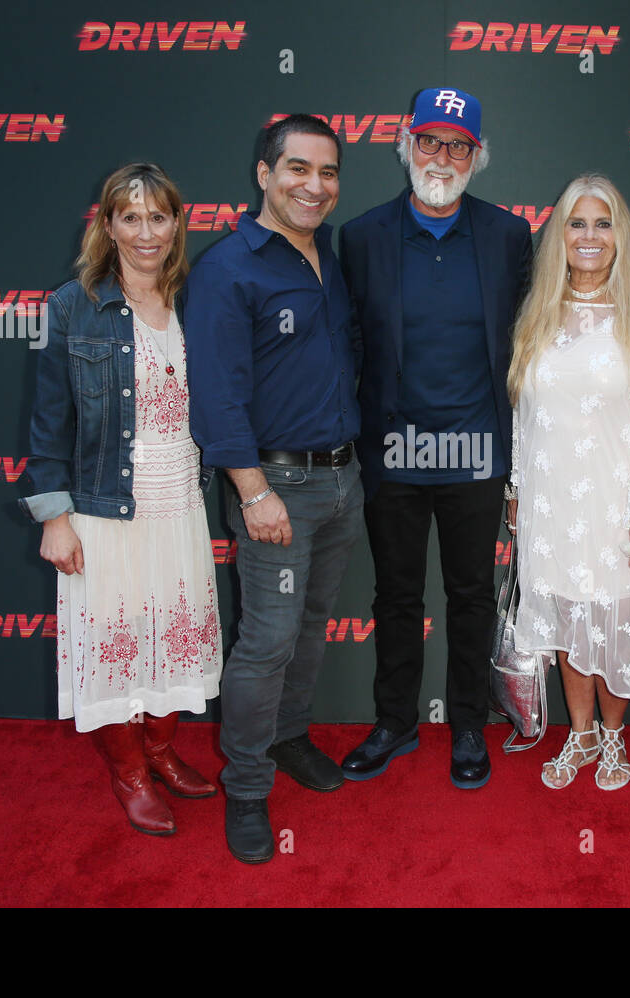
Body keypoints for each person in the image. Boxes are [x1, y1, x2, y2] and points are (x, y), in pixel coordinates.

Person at [338, 87, 532, 789]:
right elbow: (352, 342)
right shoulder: (360, 236)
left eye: (458, 146)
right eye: (430, 141)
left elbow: (525, 345)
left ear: (476, 157)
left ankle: (470, 725)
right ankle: (394, 722)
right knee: (395, 596)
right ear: (405, 143)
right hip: (394, 454)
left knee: (472, 595)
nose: (441, 157)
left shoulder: (510, 236)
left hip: (477, 454)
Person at [21, 162, 222, 837]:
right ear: (107, 225)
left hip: (181, 510)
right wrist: (54, 517)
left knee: (174, 645)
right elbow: (49, 422)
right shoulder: (72, 305)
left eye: (158, 217)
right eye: (129, 217)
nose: (145, 232)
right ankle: (129, 771)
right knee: (114, 650)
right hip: (104, 514)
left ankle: (160, 751)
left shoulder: (197, 300)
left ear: (176, 224)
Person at [185, 115, 362, 863]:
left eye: (326, 173)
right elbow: (216, 398)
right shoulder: (228, 268)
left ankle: (289, 739)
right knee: (263, 643)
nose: (313, 186)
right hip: (275, 485)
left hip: (341, 478)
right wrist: (255, 493)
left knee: (311, 625)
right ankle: (248, 786)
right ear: (264, 174)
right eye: (297, 169)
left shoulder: (329, 256)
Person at [506, 174, 630, 791]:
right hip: (551, 499)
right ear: (560, 233)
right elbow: (525, 415)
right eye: (577, 223)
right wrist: (516, 489)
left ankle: (614, 739)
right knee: (565, 618)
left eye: (602, 223)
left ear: (620, 235)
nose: (589, 236)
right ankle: (580, 736)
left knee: (614, 623)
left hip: (618, 500)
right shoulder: (539, 310)